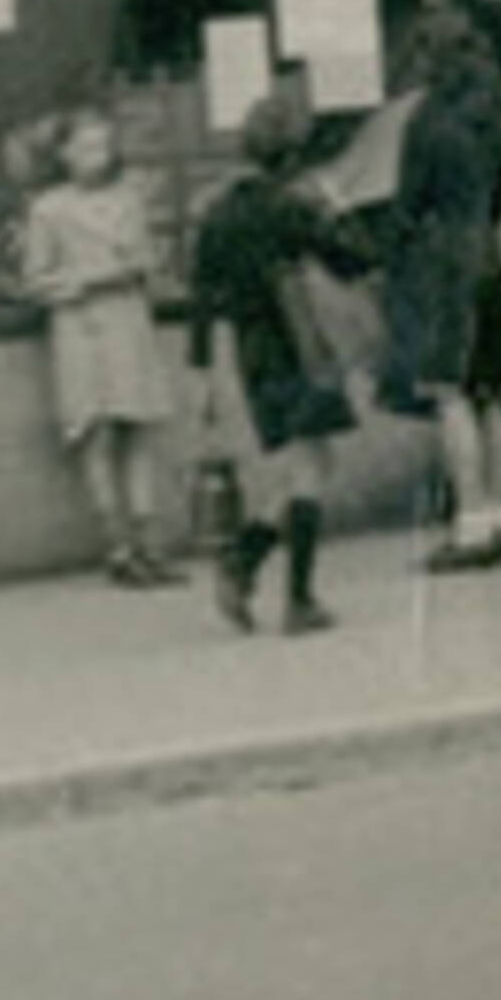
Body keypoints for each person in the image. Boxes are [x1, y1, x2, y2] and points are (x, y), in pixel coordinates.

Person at [188, 94, 366, 636]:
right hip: (301, 340)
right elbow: (356, 258)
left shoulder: (219, 214)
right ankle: (294, 595)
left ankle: (247, 566)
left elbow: (202, 298)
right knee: (310, 468)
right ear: (292, 153)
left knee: (302, 466)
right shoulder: (292, 207)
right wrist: (336, 204)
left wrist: (200, 373)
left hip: (252, 347)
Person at [381, 11, 501, 572]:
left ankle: (471, 520)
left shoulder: (428, 120)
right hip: (493, 251)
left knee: (450, 392)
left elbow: (409, 204)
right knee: (497, 391)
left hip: (447, 263)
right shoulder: (494, 115)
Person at [21, 106, 180, 588]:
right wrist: (82, 282)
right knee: (99, 434)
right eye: (85, 146)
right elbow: (35, 278)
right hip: (82, 328)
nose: (97, 156)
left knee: (137, 431)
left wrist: (129, 270)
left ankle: (151, 545)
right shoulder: (48, 208)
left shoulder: (129, 200)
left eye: (103, 145)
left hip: (127, 322)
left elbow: (146, 260)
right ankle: (118, 548)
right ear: (64, 154)